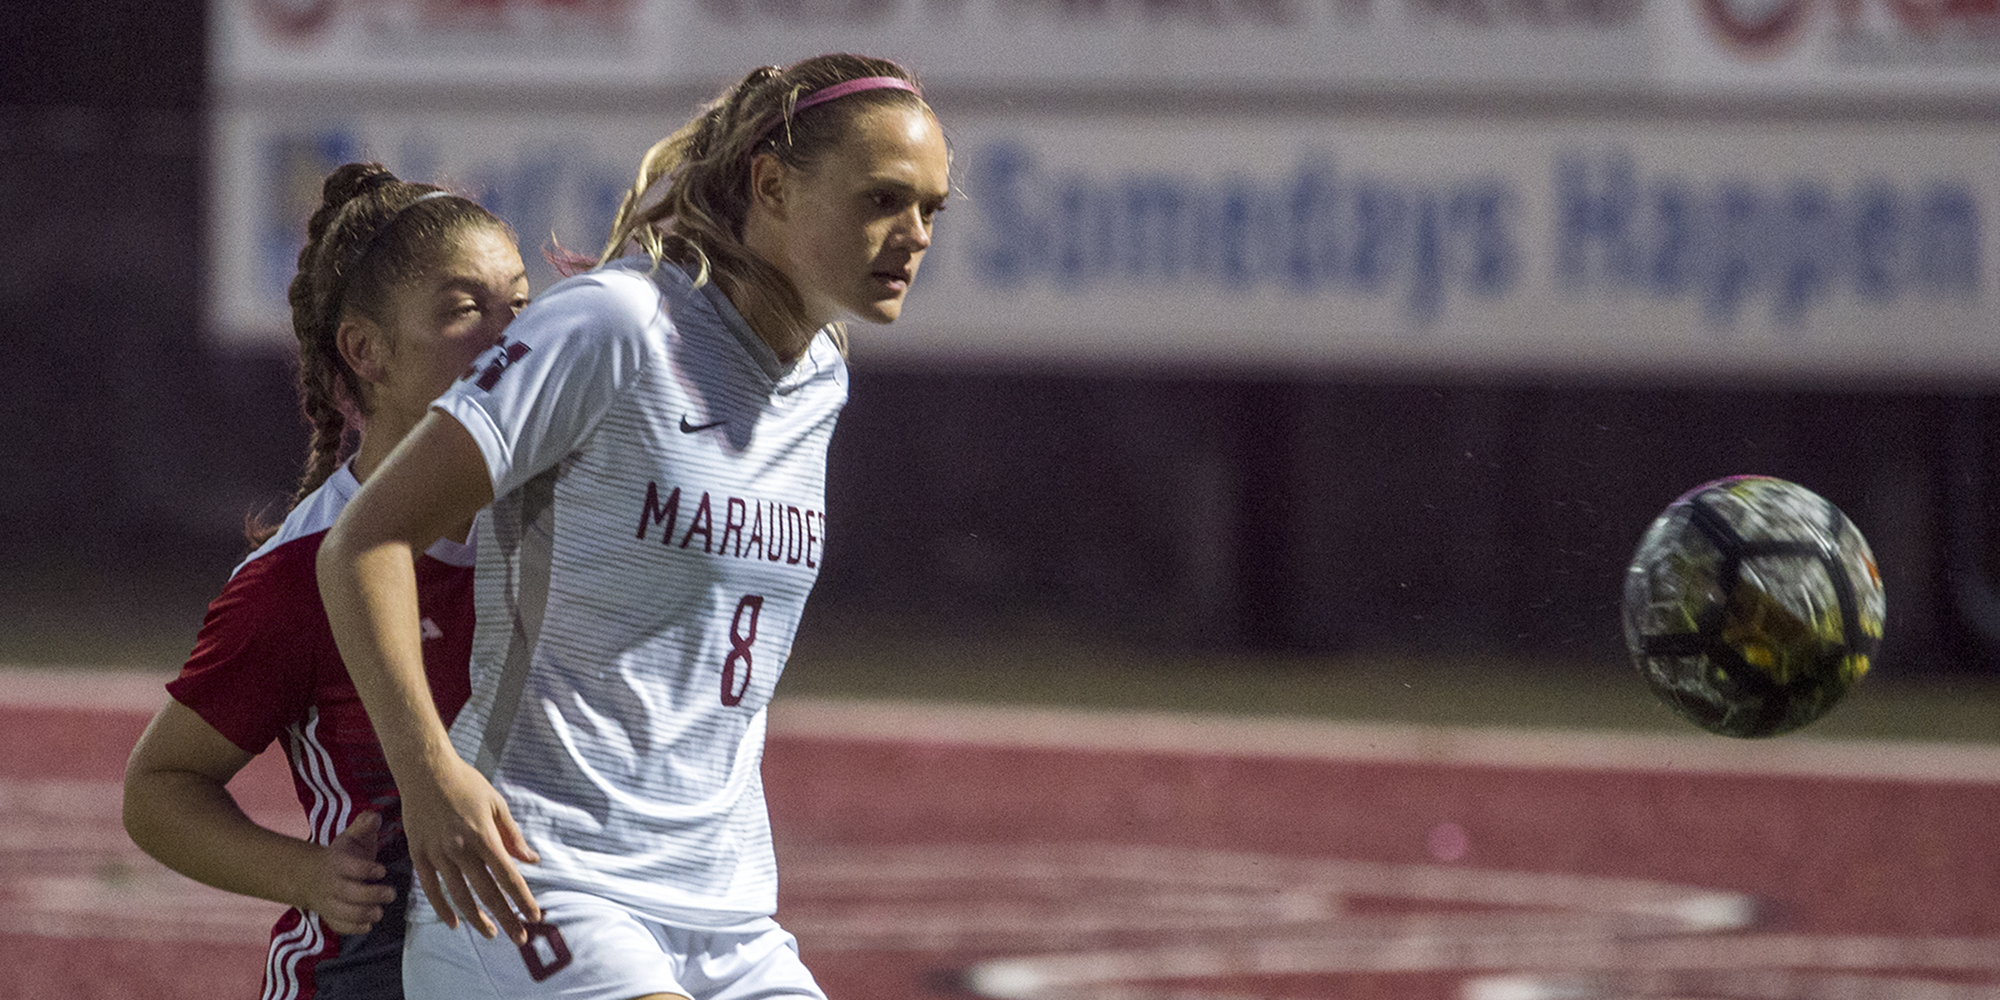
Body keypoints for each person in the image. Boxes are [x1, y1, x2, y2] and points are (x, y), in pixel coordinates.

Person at [315, 53, 949, 1000]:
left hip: (729, 908)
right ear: (772, 186)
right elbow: (364, 541)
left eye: (931, 209)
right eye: (883, 200)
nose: (915, 235)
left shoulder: (820, 374)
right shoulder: (614, 326)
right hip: (538, 881)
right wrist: (429, 773)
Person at [122, 163, 531, 999]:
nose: (510, 341)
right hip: (377, 975)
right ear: (365, 351)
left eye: (519, 308)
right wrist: (306, 875)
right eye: (465, 310)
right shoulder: (299, 576)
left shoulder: (567, 521)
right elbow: (159, 789)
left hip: (561, 964)